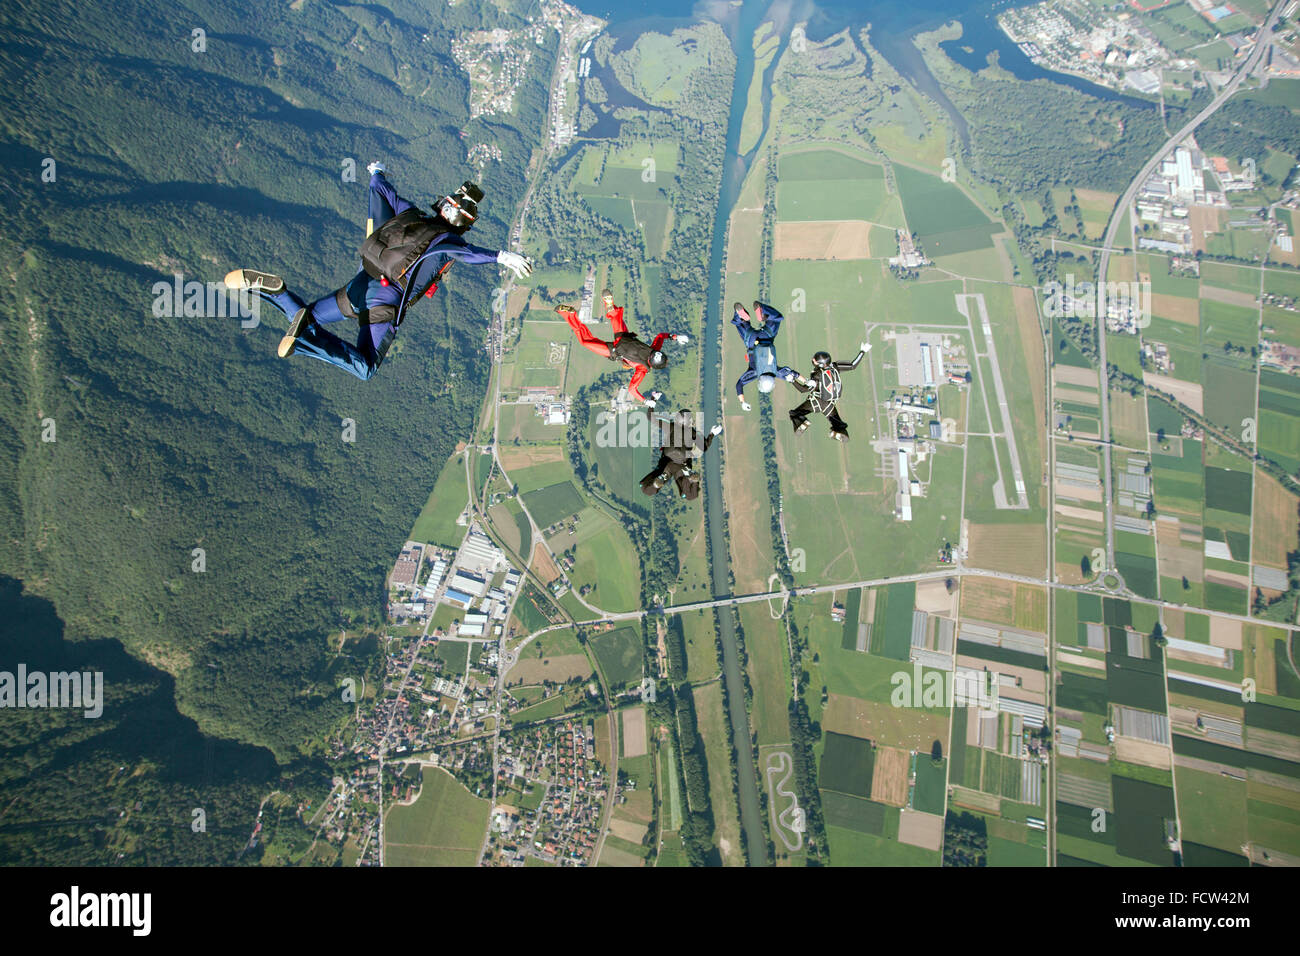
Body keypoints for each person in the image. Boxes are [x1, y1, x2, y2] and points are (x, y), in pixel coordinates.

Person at [224, 162, 532, 381]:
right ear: (464, 223)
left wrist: (377, 172)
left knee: (308, 317)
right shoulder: (446, 241)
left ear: (443, 206)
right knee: (365, 368)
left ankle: (275, 293)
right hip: (384, 300)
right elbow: (468, 254)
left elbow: (382, 191)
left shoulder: (411, 215)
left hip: (362, 282)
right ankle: (305, 342)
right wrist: (501, 257)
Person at [556, 289, 688, 407]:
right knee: (585, 341)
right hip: (614, 350)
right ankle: (568, 314)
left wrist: (675, 337)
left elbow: (660, 336)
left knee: (615, 317)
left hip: (624, 337)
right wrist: (644, 401)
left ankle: (610, 308)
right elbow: (632, 390)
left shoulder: (654, 349)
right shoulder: (642, 369)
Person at [789, 342, 870, 442]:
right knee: (838, 424)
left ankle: (802, 423)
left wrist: (792, 381)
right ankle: (839, 433)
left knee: (795, 414)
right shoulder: (835, 367)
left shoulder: (817, 374)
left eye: (815, 360)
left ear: (820, 364)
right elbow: (853, 365)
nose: (813, 360)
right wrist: (862, 351)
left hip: (817, 401)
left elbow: (803, 389)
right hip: (830, 404)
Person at [640, 409, 723, 500]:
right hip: (682, 465)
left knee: (645, 488)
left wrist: (652, 403)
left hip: (667, 462)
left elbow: (651, 417)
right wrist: (712, 434)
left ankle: (656, 484)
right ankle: (692, 480)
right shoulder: (693, 433)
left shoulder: (671, 426)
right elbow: (704, 447)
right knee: (690, 495)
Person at [731, 300, 800, 410]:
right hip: (751, 341)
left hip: (767, 337)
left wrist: (807, 382)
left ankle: (763, 311)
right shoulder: (754, 373)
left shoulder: (775, 372)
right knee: (739, 323)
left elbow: (794, 374)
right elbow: (739, 385)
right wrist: (742, 402)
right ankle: (741, 318)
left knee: (776, 317)